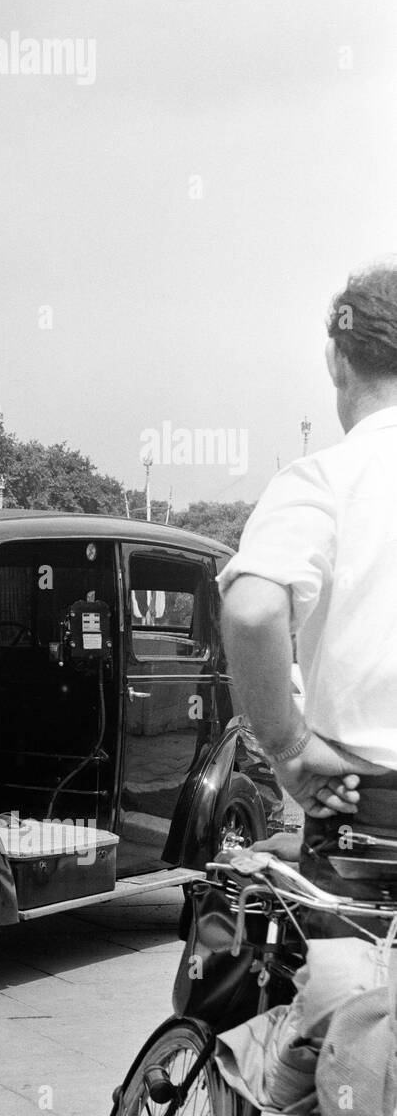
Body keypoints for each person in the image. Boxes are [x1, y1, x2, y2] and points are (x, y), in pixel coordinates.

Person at [219, 259, 397, 903]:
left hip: (368, 814)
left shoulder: (324, 480)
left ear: (337, 361)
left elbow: (251, 611)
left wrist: (290, 746)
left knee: (360, 1000)